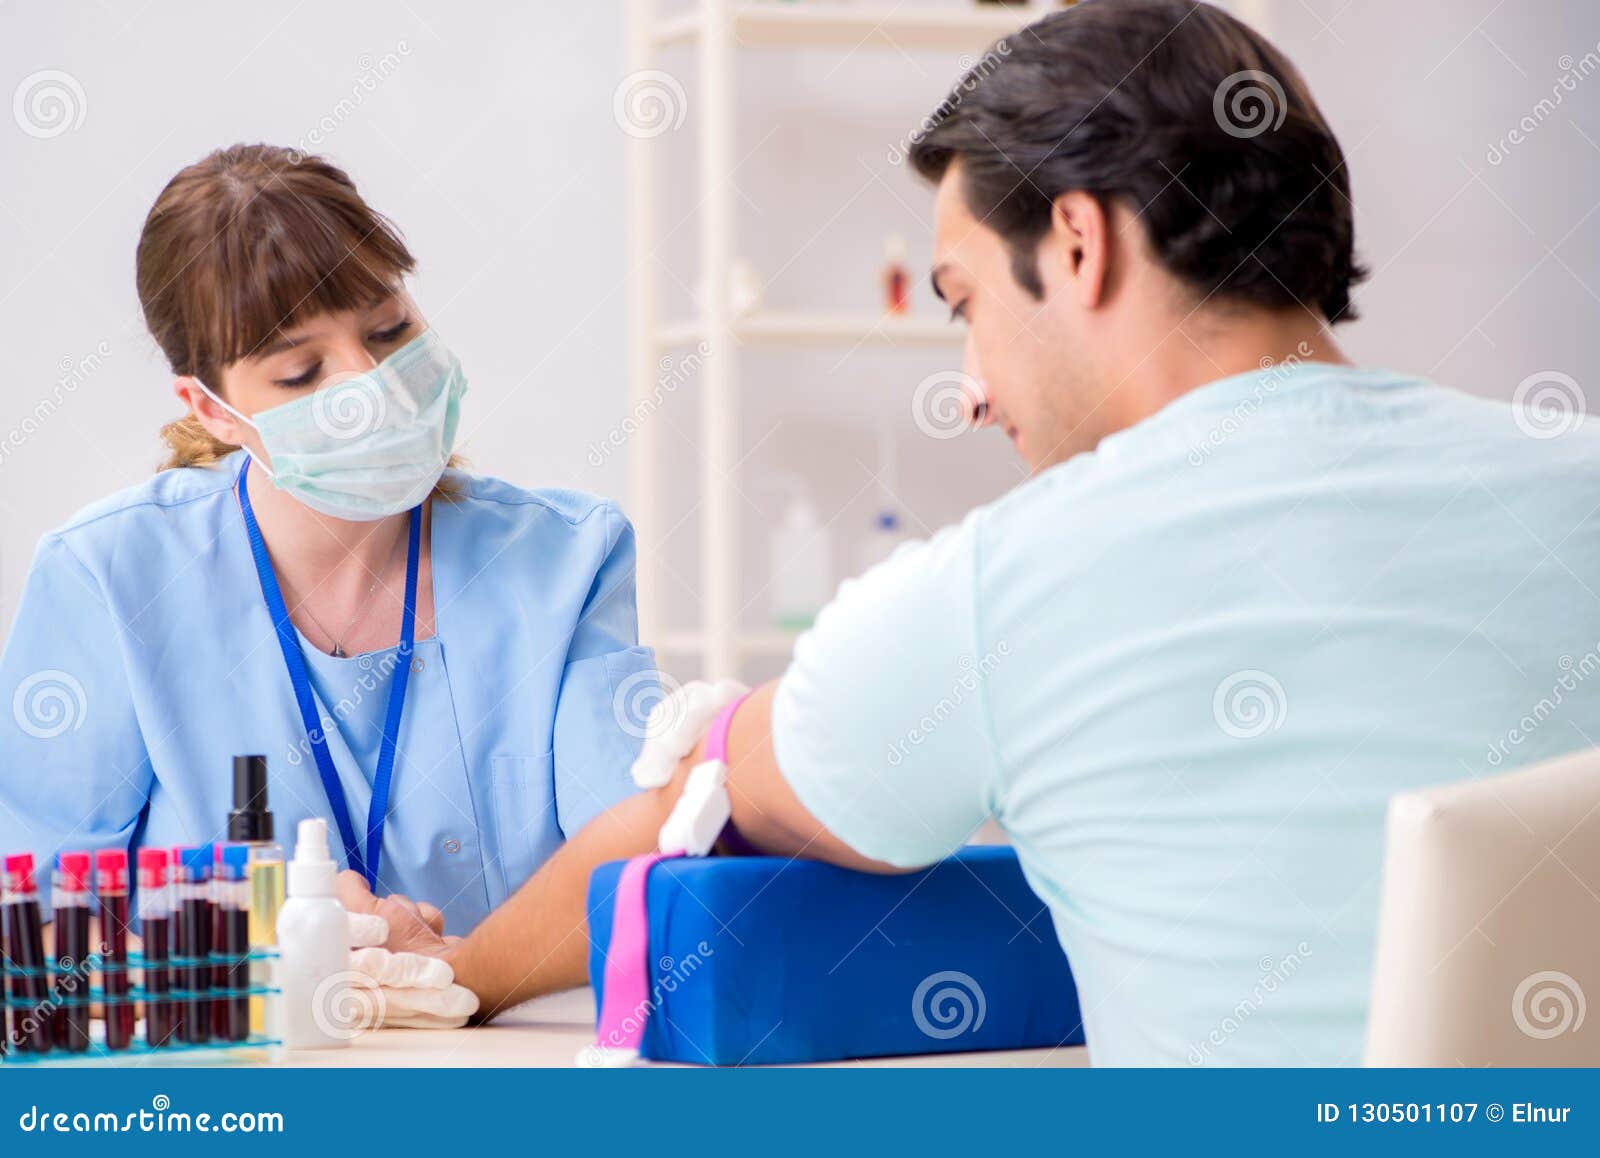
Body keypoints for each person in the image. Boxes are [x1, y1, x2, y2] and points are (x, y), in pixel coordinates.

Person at [347, 0, 1600, 1063]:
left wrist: (464, 971)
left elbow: (703, 791)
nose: (972, 386)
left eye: (966, 303)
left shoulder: (1002, 589)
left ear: (1075, 242)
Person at [0, 145, 654, 935]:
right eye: (302, 372)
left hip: (511, 1050)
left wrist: (462, 978)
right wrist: (254, 935)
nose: (367, 387)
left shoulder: (568, 559)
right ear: (211, 408)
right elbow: (38, 924)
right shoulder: (110, 577)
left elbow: (635, 868)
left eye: (387, 330)